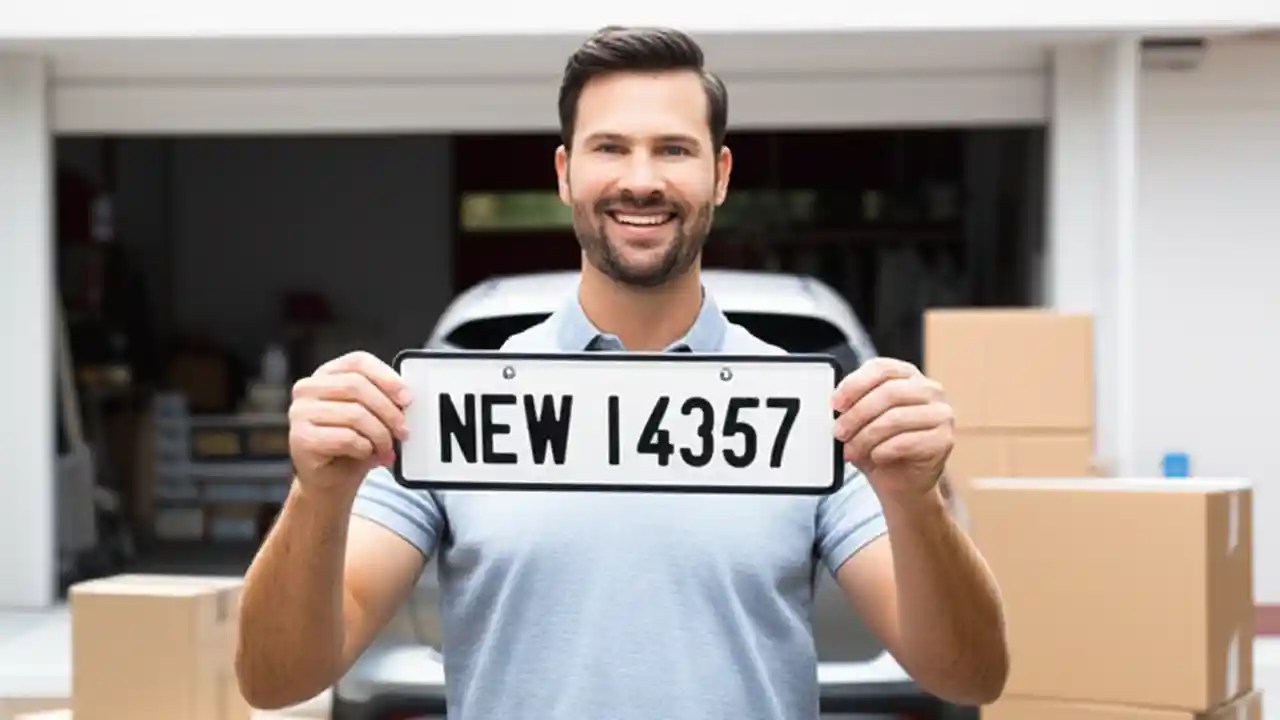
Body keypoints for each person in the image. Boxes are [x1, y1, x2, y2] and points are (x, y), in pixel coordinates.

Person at [235, 25, 1009, 719]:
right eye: (611, 148)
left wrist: (916, 502)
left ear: (720, 175)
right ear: (565, 172)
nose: (642, 180)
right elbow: (276, 680)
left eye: (674, 149)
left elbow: (968, 674)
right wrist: (318, 495)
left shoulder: (805, 412)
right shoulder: (450, 410)